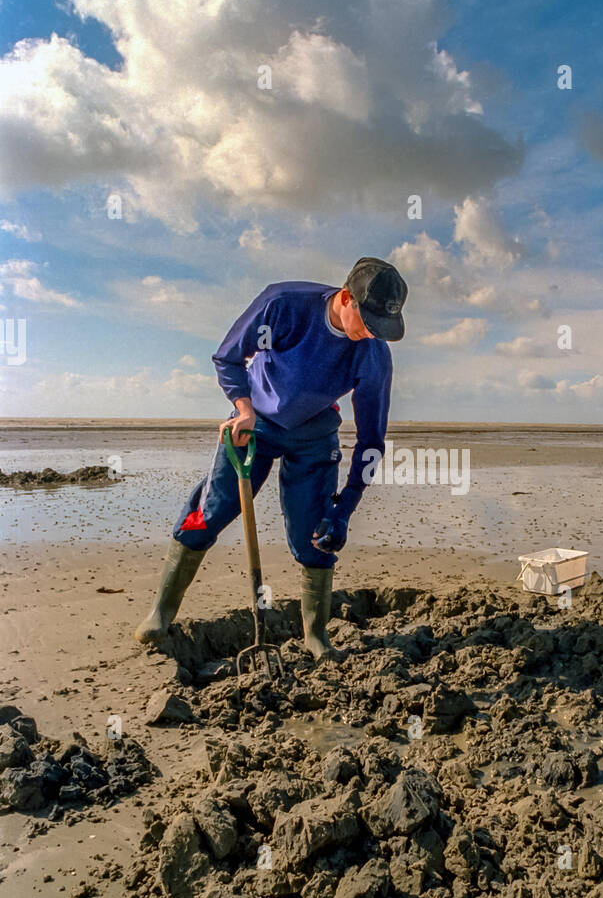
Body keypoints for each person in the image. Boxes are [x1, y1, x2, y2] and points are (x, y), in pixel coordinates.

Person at [135, 256, 408, 659]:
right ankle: (161, 612)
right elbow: (227, 357)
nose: (371, 335)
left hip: (314, 438)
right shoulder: (283, 304)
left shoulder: (373, 355)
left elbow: (371, 441)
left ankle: (316, 635)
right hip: (255, 424)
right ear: (346, 298)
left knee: (316, 536)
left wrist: (345, 508)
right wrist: (243, 407)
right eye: (367, 322)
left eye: (381, 329)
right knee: (210, 512)